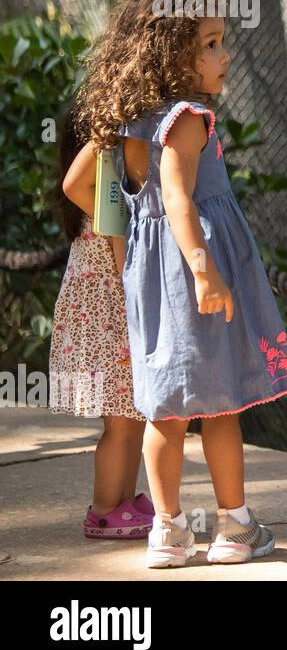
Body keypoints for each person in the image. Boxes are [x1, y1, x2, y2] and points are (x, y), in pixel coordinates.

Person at [79, 0, 287, 567]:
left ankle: (169, 533)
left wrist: (136, 269)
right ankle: (235, 528)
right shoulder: (187, 119)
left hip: (152, 285)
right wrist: (203, 271)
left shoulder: (130, 125)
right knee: (220, 407)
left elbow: (108, 203)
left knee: (165, 410)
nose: (224, 56)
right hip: (195, 279)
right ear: (172, 54)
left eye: (222, 41)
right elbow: (177, 199)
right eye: (209, 44)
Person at [54, 93, 154, 539]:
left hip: (111, 316)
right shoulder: (100, 191)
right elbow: (72, 184)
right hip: (107, 318)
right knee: (119, 422)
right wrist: (106, 130)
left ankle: (125, 503)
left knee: (130, 415)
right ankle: (102, 509)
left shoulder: (111, 185)